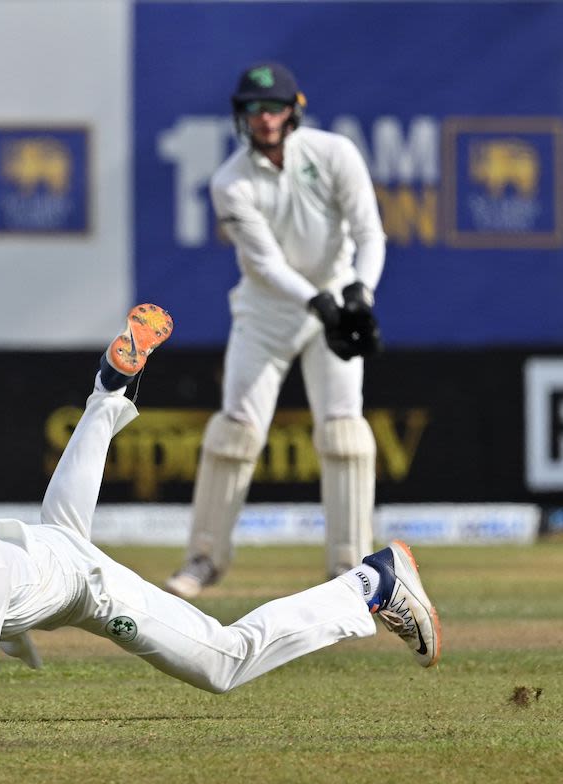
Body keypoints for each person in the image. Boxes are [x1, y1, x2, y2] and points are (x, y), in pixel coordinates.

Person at [0, 305, 438, 727]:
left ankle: (369, 583)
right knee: (63, 525)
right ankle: (109, 390)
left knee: (222, 661)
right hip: (40, 549)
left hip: (78, 584)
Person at [164, 61, 387, 599]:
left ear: (294, 110)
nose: (263, 119)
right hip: (266, 314)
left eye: (273, 108)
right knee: (236, 430)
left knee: (343, 431)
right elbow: (264, 263)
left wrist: (360, 292)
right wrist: (319, 302)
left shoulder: (334, 153)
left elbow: (369, 232)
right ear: (240, 117)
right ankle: (204, 559)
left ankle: (348, 569)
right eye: (252, 110)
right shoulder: (229, 182)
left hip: (333, 296)